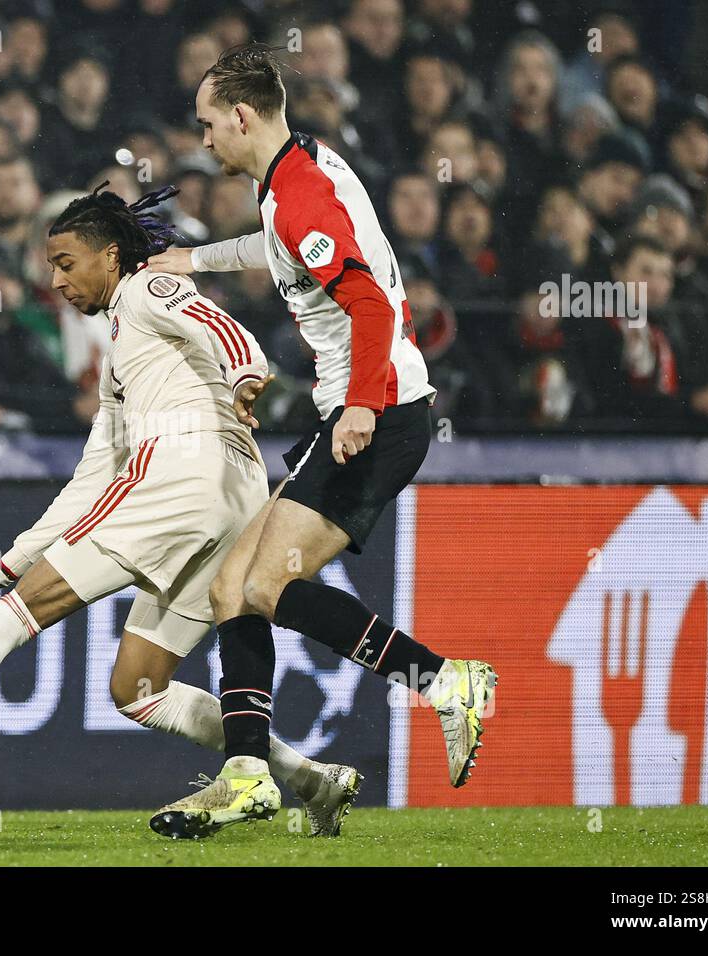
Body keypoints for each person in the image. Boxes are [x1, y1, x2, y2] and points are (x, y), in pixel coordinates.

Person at [0, 186, 363, 838]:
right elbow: (91, 477)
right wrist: (9, 562)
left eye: (67, 263)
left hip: (181, 471)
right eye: (51, 266)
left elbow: (231, 333)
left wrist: (244, 379)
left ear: (111, 255)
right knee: (138, 690)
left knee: (20, 615)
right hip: (232, 497)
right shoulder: (122, 353)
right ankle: (312, 779)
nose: (56, 279)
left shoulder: (148, 288)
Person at [146, 44, 495, 839]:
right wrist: (191, 259)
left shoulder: (296, 198)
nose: (204, 142)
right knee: (231, 587)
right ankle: (244, 776)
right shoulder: (297, 175)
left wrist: (361, 408)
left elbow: (369, 307)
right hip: (369, 407)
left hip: (377, 412)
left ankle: (444, 682)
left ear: (241, 115)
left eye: (208, 125)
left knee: (262, 586)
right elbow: (278, 250)